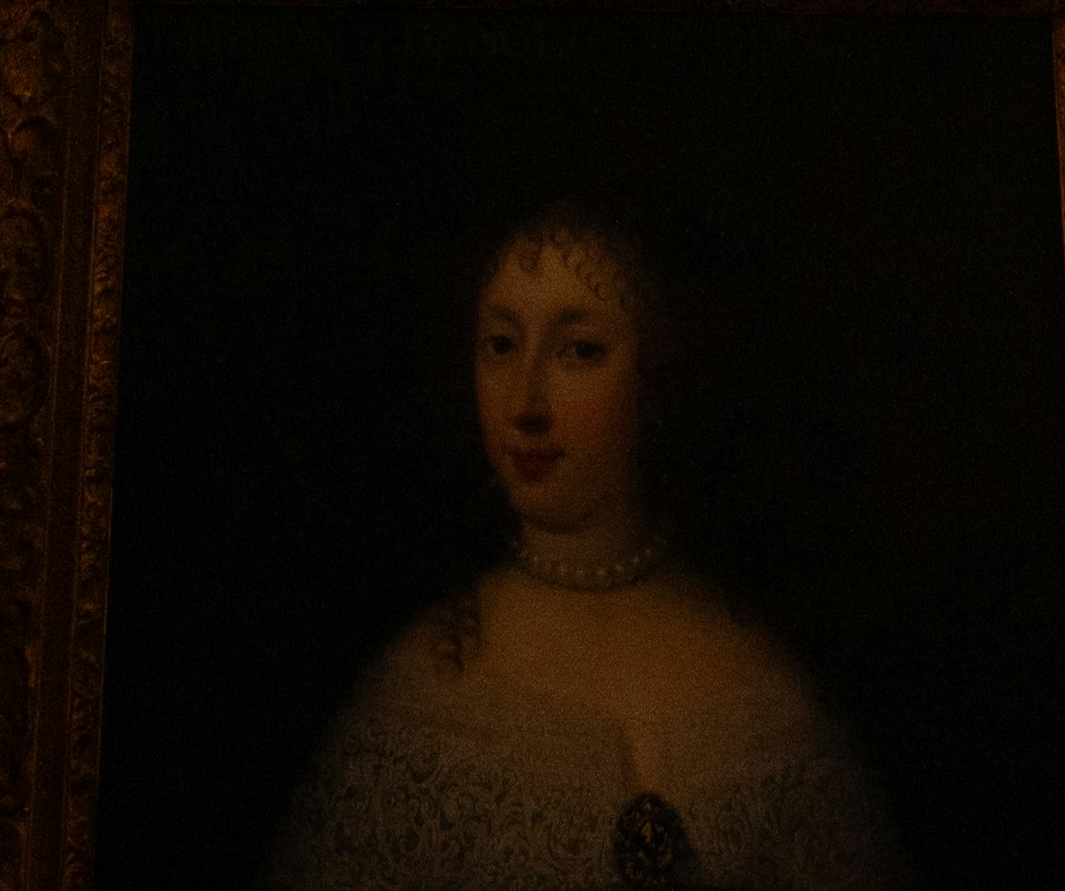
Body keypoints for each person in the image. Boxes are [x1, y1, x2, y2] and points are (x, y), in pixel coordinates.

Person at [259, 201, 907, 890]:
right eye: (501, 345)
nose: (525, 404)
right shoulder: (425, 680)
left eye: (580, 351)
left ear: (657, 372)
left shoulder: (762, 677)